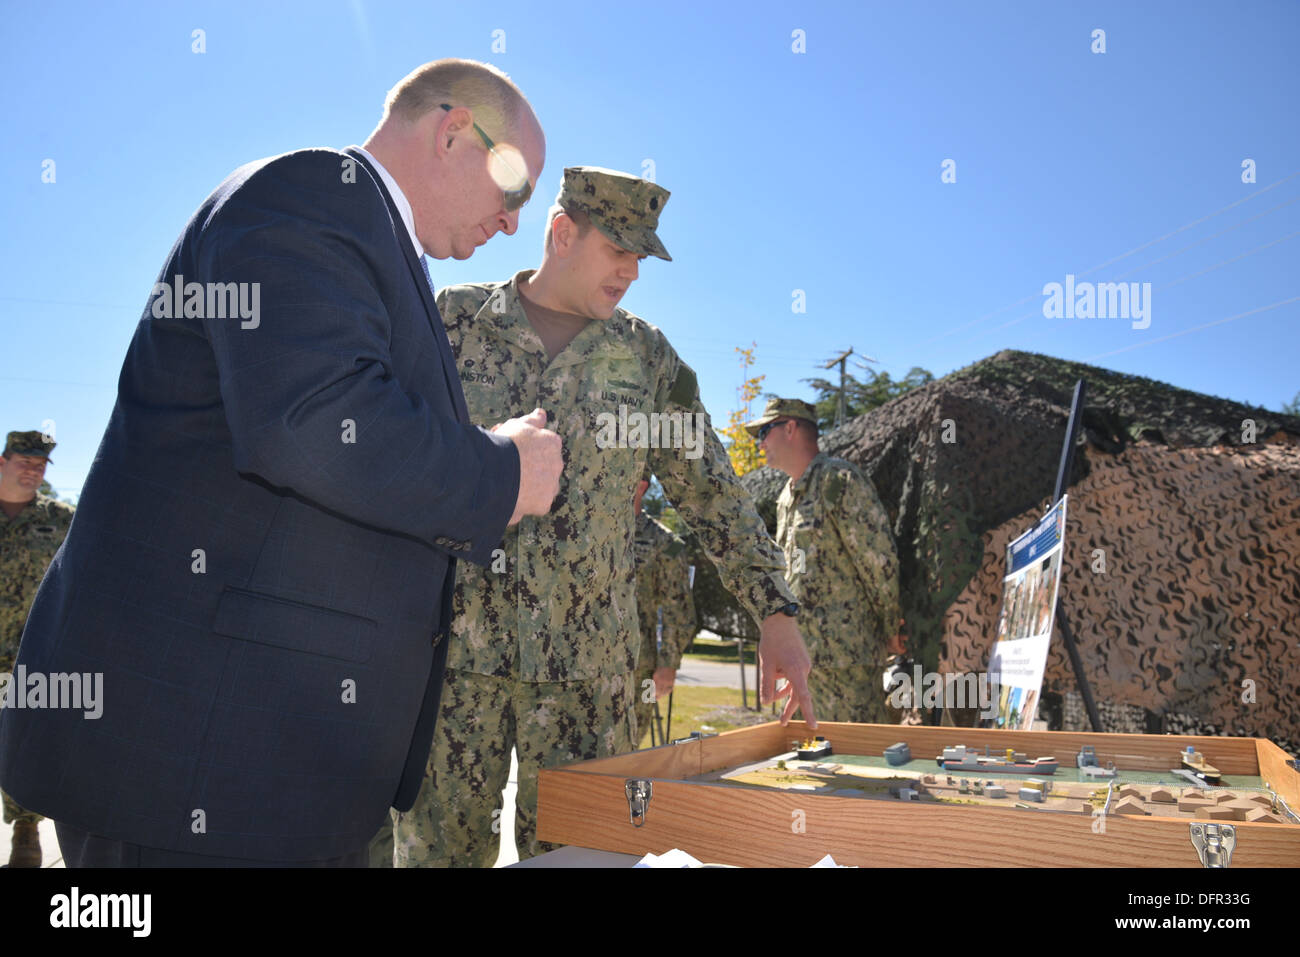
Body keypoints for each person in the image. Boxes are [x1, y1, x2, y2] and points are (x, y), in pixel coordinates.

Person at [0, 59, 564, 867]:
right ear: (452, 132)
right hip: (195, 767)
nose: (514, 222)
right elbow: (311, 420)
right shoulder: (312, 196)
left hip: (256, 766)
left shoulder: (365, 238)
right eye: (515, 188)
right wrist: (502, 473)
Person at [393, 167, 816, 867]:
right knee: (434, 857)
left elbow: (713, 491)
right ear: (561, 233)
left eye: (641, 257)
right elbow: (392, 458)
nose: (631, 271)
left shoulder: (647, 359)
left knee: (584, 862)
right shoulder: (452, 324)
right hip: (453, 668)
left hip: (591, 688)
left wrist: (776, 610)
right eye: (618, 250)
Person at [748, 398, 902, 723]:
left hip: (845, 661)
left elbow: (878, 563)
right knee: (813, 763)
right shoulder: (786, 497)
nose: (760, 443)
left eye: (764, 431)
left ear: (790, 427)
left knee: (857, 759)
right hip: (801, 658)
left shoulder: (839, 481)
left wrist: (891, 627)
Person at [0, 431, 75, 867]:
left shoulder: (64, 520)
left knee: (23, 743)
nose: (34, 469)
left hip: (34, 654)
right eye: (25, 460)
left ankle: (25, 832)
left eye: (41, 465)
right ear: (3, 461)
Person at [631, 476, 697, 745]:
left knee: (627, 752)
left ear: (641, 486)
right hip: (585, 667)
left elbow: (677, 607)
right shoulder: (592, 533)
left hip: (639, 668)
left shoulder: (667, 542)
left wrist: (668, 664)